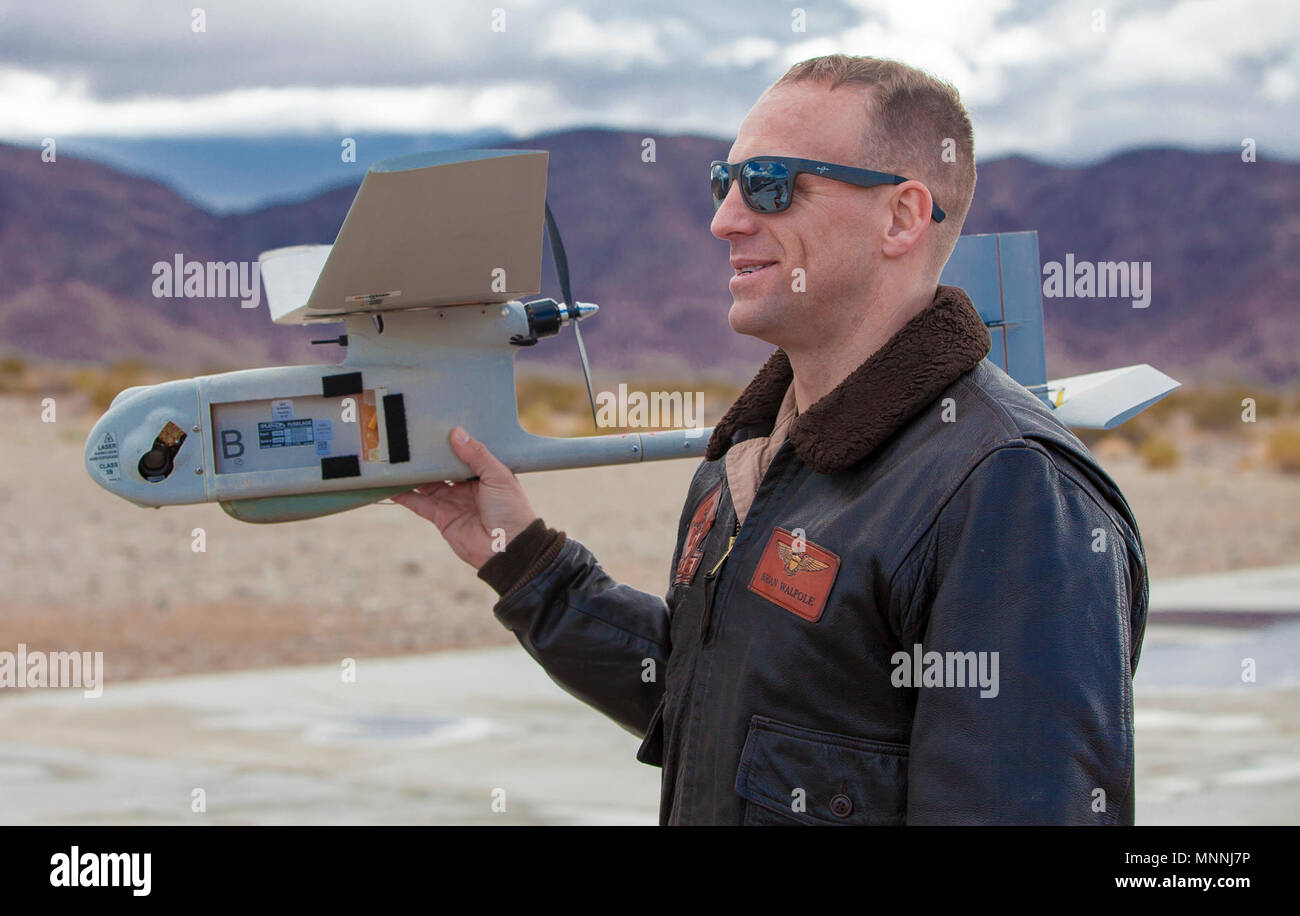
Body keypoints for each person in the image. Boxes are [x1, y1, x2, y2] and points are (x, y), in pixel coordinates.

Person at [393, 54, 1148, 825]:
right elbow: (712, 703)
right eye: (723, 182)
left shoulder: (1011, 492)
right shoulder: (749, 458)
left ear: (900, 217)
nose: (725, 220)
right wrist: (521, 557)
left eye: (770, 184)